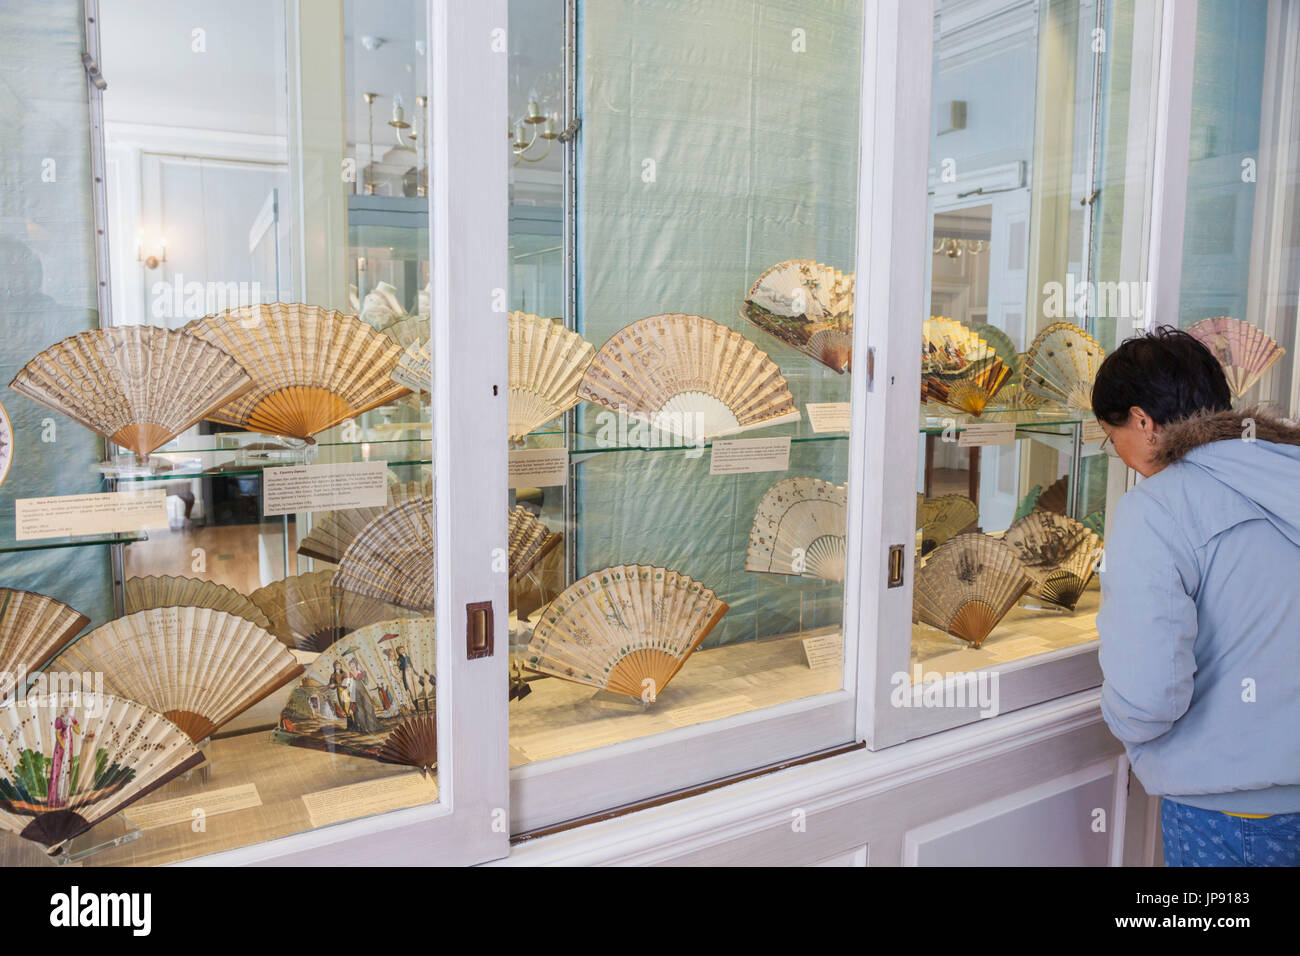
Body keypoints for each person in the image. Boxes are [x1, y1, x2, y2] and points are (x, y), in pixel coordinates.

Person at [1091, 325, 1300, 866]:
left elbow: (1149, 697)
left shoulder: (1157, 509)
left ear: (1141, 420)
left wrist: (1125, 724)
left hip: (1232, 815)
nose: (1114, 449)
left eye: (1111, 432)